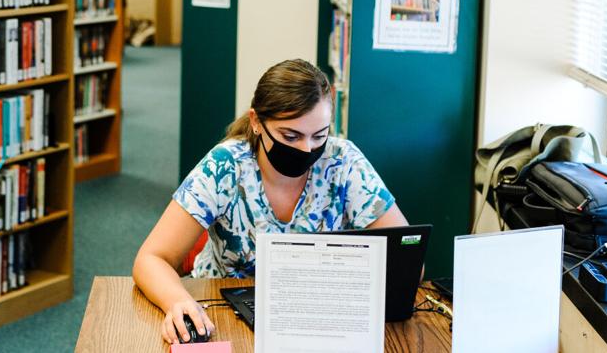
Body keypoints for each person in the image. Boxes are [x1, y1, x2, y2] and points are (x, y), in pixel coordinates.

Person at [133, 59, 408, 344]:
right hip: (221, 311)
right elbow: (150, 258)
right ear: (256, 122)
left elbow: (405, 260)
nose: (306, 149)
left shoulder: (344, 161)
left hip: (320, 312)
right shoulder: (225, 165)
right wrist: (177, 301)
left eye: (319, 135)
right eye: (291, 135)